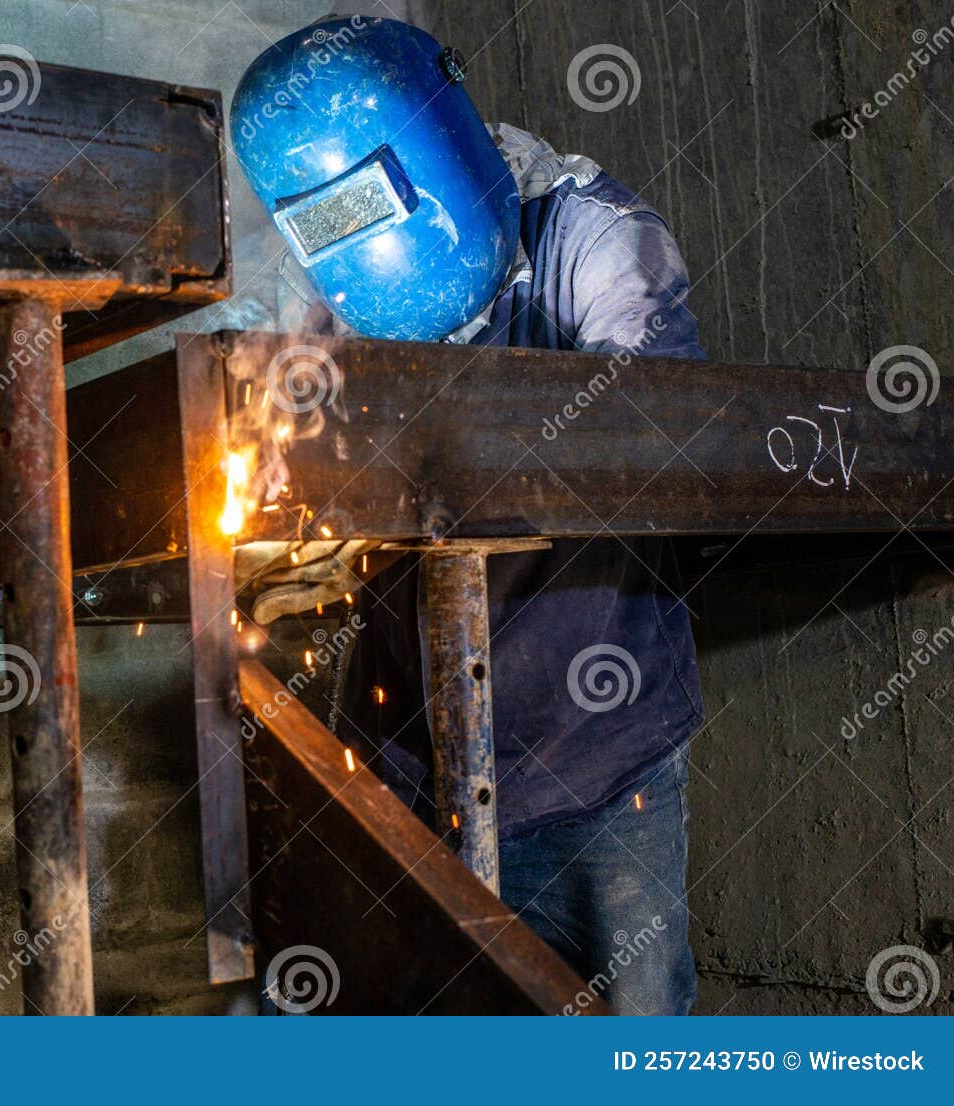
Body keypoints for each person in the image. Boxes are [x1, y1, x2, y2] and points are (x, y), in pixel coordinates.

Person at [232, 17, 702, 1015]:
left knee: (634, 1028)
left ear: (429, 151)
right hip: (409, 750)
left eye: (365, 206)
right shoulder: (329, 289)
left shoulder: (594, 236)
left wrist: (468, 446)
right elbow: (281, 450)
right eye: (322, 225)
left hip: (596, 752)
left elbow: (665, 437)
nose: (342, 248)